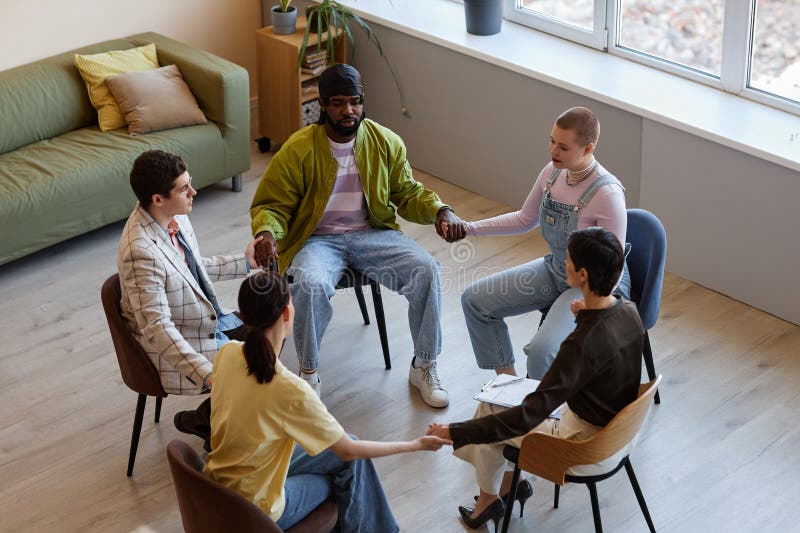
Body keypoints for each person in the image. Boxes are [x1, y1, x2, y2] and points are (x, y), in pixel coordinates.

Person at [249, 63, 467, 407]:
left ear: (363, 102)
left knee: (427, 269)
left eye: (354, 102)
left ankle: (424, 364)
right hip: (317, 239)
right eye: (337, 103)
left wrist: (441, 210)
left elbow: (408, 193)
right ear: (322, 105)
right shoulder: (298, 148)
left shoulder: (385, 141)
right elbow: (273, 204)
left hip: (372, 233)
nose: (347, 110)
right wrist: (266, 232)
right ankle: (309, 373)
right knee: (309, 283)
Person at [427, 227, 645, 529]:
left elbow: (528, 416)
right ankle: (507, 488)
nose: (562, 263)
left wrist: (457, 431)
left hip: (584, 443)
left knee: (491, 407)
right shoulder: (630, 311)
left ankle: (491, 500)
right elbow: (605, 345)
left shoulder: (580, 344)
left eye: (567, 259)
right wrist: (585, 314)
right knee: (501, 404)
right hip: (620, 433)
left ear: (582, 274)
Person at [204, 271, 451, 532]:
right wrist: (414, 444)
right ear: (287, 315)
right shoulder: (290, 389)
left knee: (348, 452)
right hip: (255, 512)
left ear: (243, 313)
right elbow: (348, 453)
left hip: (217, 487)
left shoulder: (227, 353)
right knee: (336, 477)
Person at [455, 106, 631, 380]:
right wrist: (469, 229)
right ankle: (509, 388)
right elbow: (525, 219)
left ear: (588, 148)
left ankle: (542, 417)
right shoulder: (552, 173)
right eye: (551, 141)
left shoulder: (607, 194)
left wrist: (592, 306)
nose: (553, 151)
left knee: (541, 350)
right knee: (475, 301)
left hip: (593, 285)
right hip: (558, 269)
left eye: (563, 146)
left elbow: (614, 265)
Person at [117, 149, 260, 447]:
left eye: (190, 183)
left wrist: (246, 262)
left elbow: (192, 268)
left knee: (270, 329)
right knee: (253, 369)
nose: (193, 192)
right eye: (184, 189)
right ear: (158, 198)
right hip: (180, 339)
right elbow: (158, 329)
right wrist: (207, 375)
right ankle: (227, 442)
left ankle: (208, 419)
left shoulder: (172, 216)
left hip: (201, 320)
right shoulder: (140, 251)